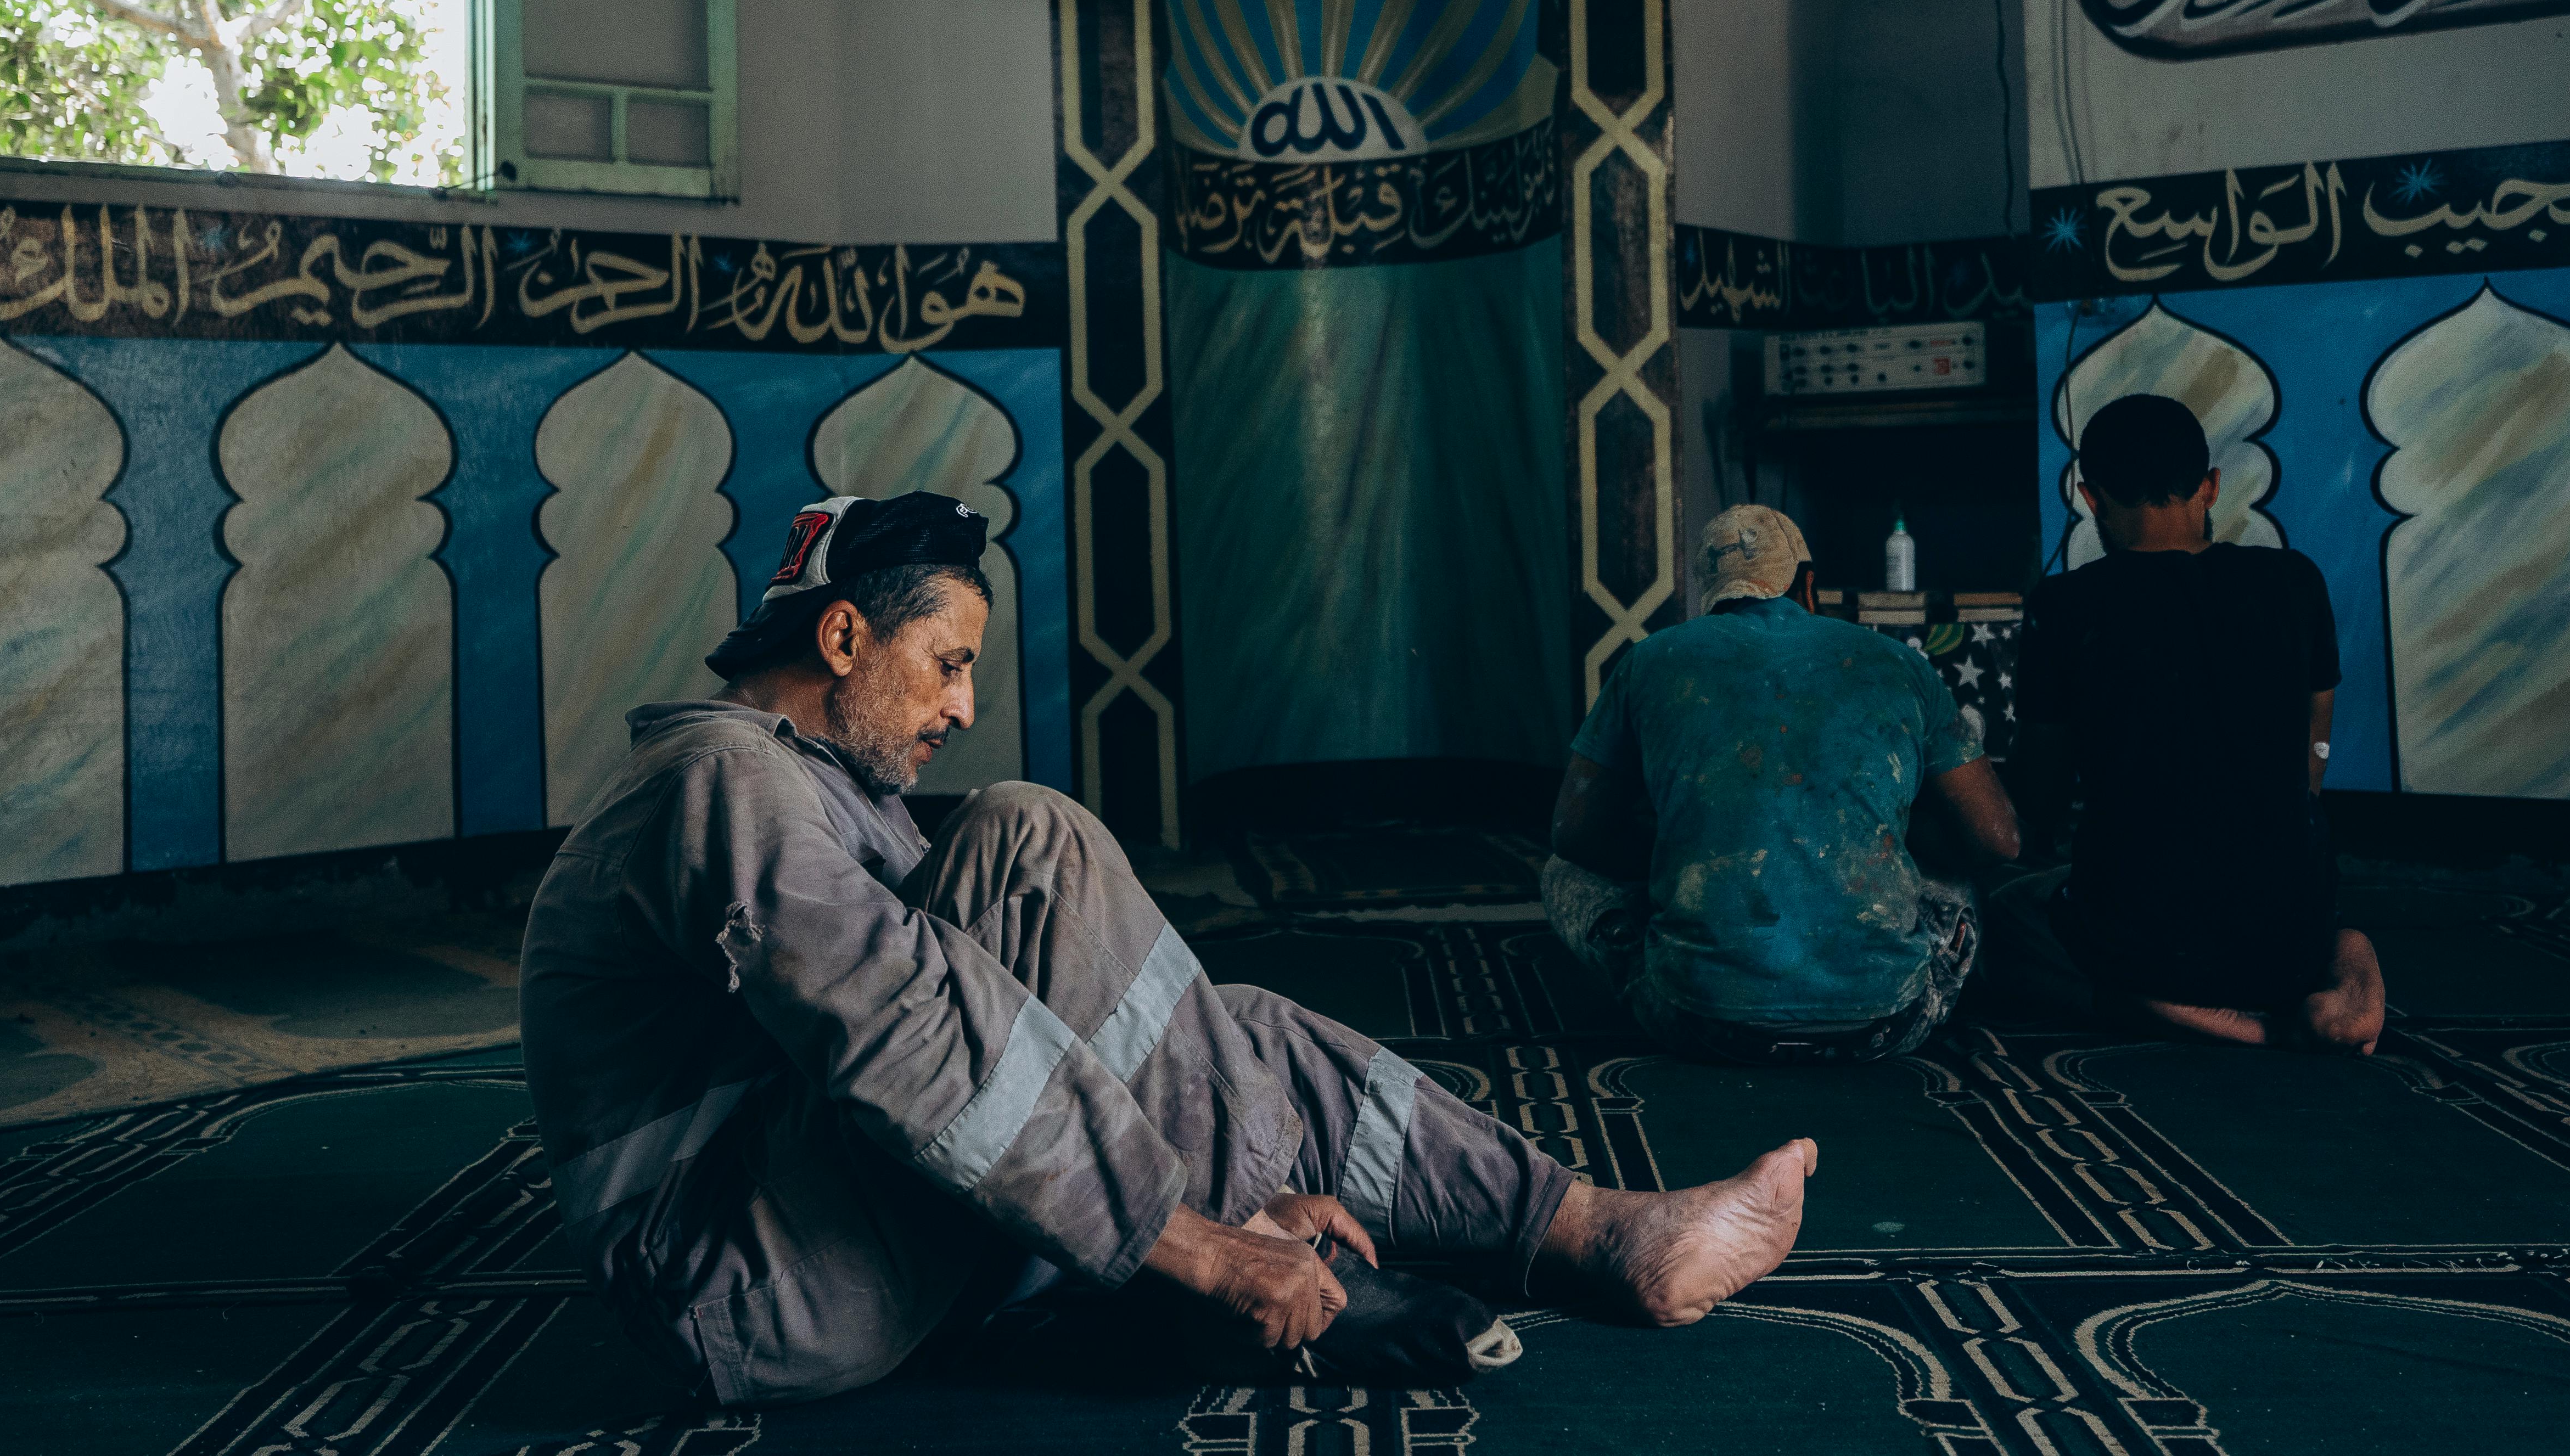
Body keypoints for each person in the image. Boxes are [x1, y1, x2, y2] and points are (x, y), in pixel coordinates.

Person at [520, 490, 1816, 1408]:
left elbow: (1010, 1020)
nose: (964, 706)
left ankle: (1585, 1229)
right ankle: (1232, 1265)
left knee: (1230, 1020)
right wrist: (1209, 1242)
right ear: (844, 637)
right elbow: (904, 1036)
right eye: (947, 664)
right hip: (742, 1289)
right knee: (1030, 841)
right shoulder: (716, 780)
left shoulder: (809, 792)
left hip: (824, 1230)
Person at [1542, 504, 2020, 1064]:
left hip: (1697, 1023)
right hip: (1886, 1024)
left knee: (1562, 873)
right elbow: (1999, 841)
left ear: (1711, 597)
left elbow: (1573, 833)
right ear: (1808, 584)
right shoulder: (1900, 663)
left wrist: (1680, 857)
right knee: (1961, 884)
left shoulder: (1650, 661)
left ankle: (1677, 958)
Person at [2009, 393, 2384, 1052]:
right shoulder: (2295, 581)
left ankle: (2207, 1022)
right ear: (2211, 487)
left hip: (2143, 944)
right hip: (2287, 933)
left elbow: (2040, 794)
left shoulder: (2064, 606)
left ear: (2090, 497)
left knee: (2010, 918)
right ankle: (2343, 994)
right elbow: (2314, 745)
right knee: (2338, 929)